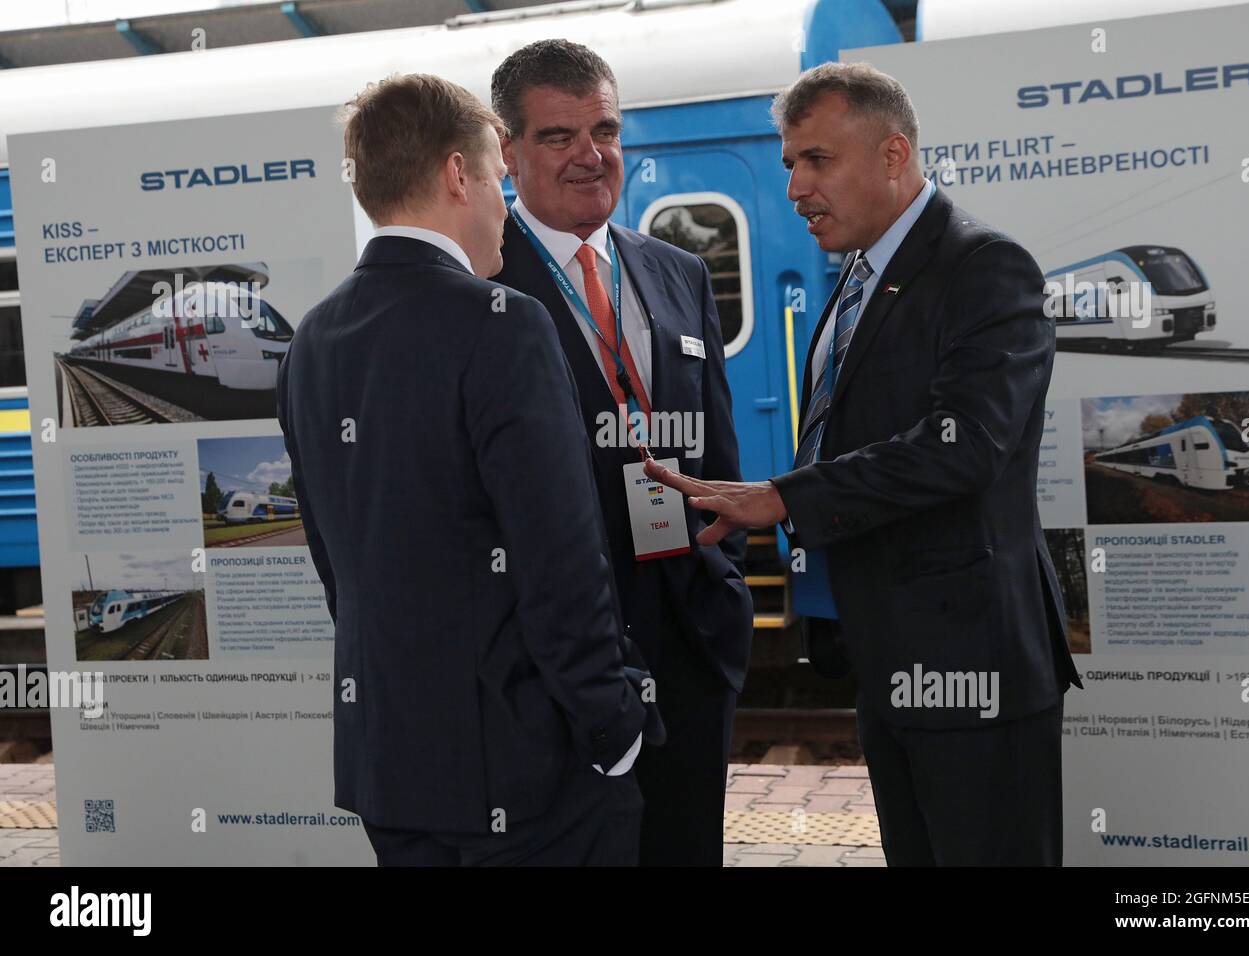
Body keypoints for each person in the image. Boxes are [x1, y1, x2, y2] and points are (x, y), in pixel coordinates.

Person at [645, 62, 1083, 866]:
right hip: (894, 662)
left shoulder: (984, 267)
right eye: (787, 164)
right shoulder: (861, 275)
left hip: (972, 666)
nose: (795, 188)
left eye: (817, 160)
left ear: (893, 154)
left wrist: (784, 498)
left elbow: (967, 447)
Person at [277, 74, 651, 866]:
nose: (502, 211)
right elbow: (559, 557)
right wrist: (613, 723)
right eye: (495, 179)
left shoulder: (313, 338)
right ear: (456, 175)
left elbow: (335, 563)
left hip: (391, 762)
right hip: (522, 767)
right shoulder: (504, 325)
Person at [489, 40, 753, 867]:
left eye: (604, 128)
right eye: (558, 135)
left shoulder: (675, 269)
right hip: (557, 660)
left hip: (684, 635)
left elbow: (717, 442)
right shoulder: (480, 282)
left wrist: (725, 582)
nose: (589, 155)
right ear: (506, 151)